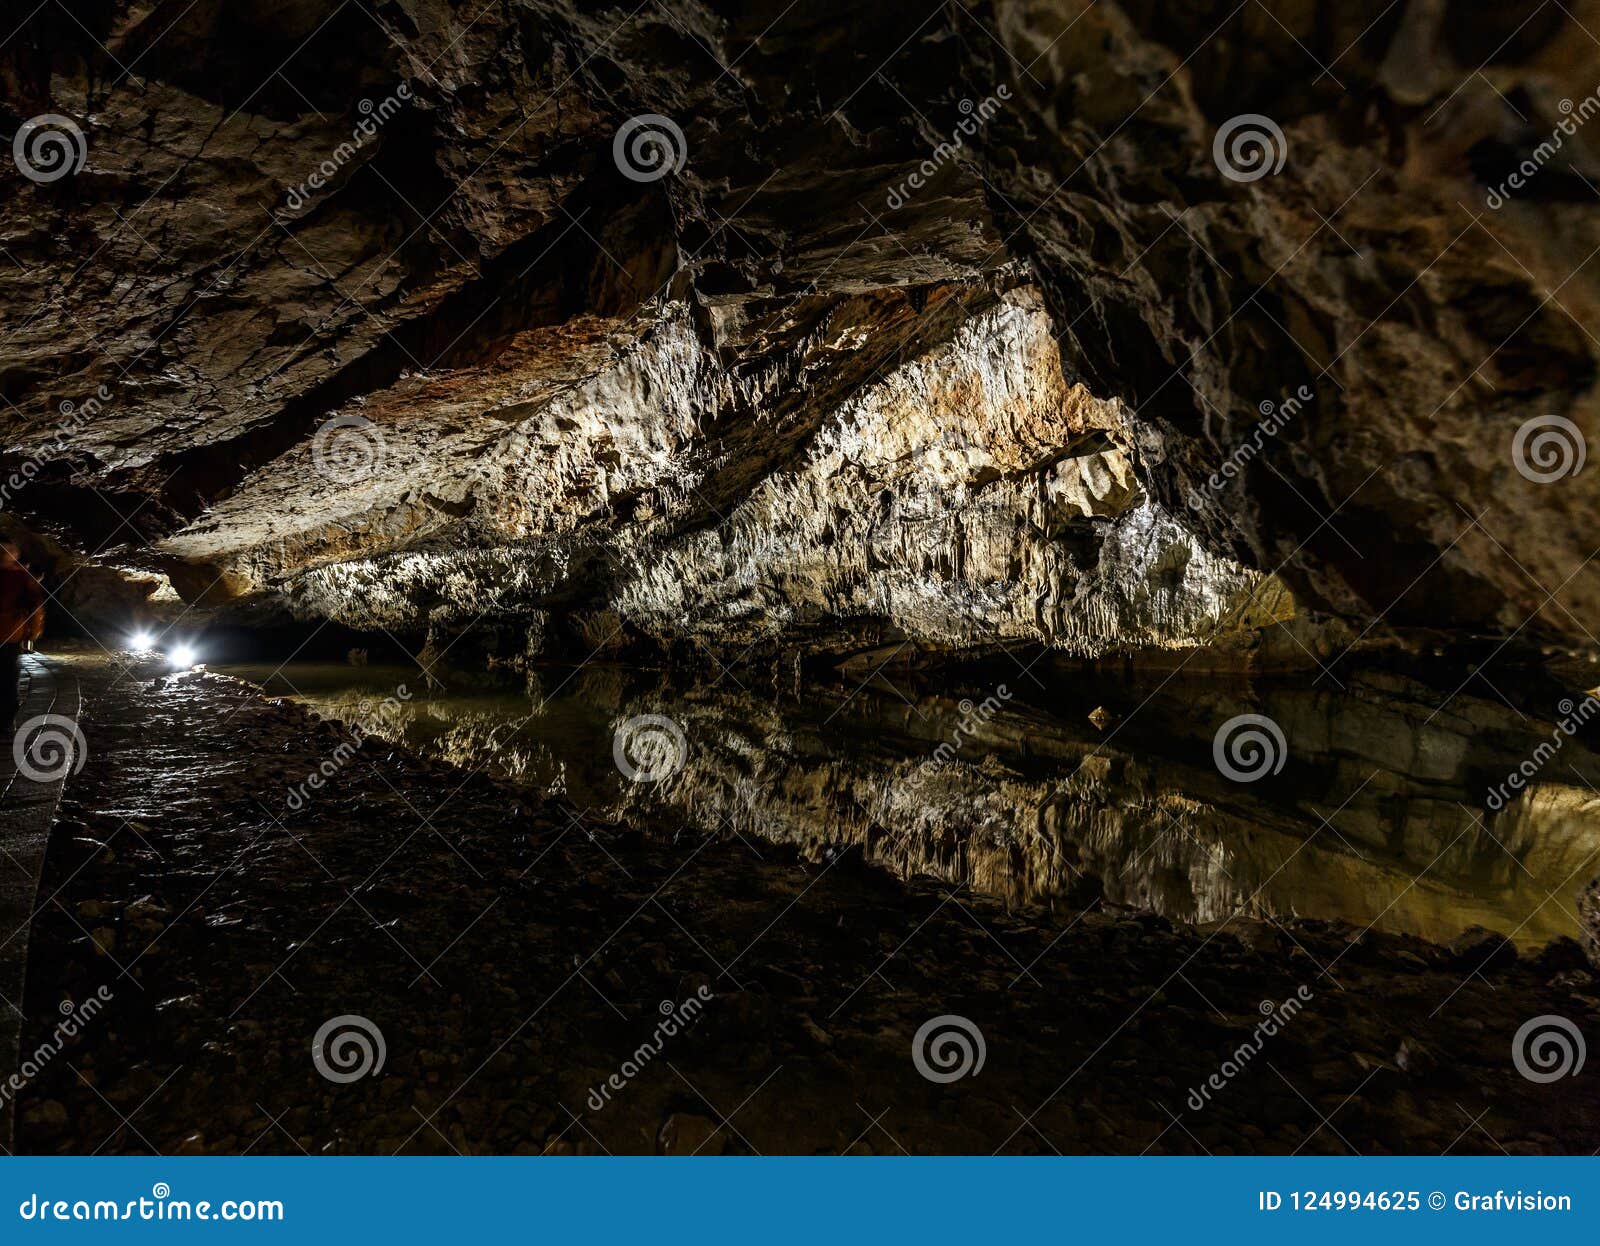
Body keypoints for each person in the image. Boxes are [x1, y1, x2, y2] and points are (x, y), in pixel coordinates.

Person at [0, 540, 45, 728]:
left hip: (10, 634)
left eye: (9, 550)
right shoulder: (22, 577)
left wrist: (33, 631)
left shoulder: (21, 577)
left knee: (8, 677)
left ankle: (5, 720)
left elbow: (35, 606)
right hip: (11, 633)